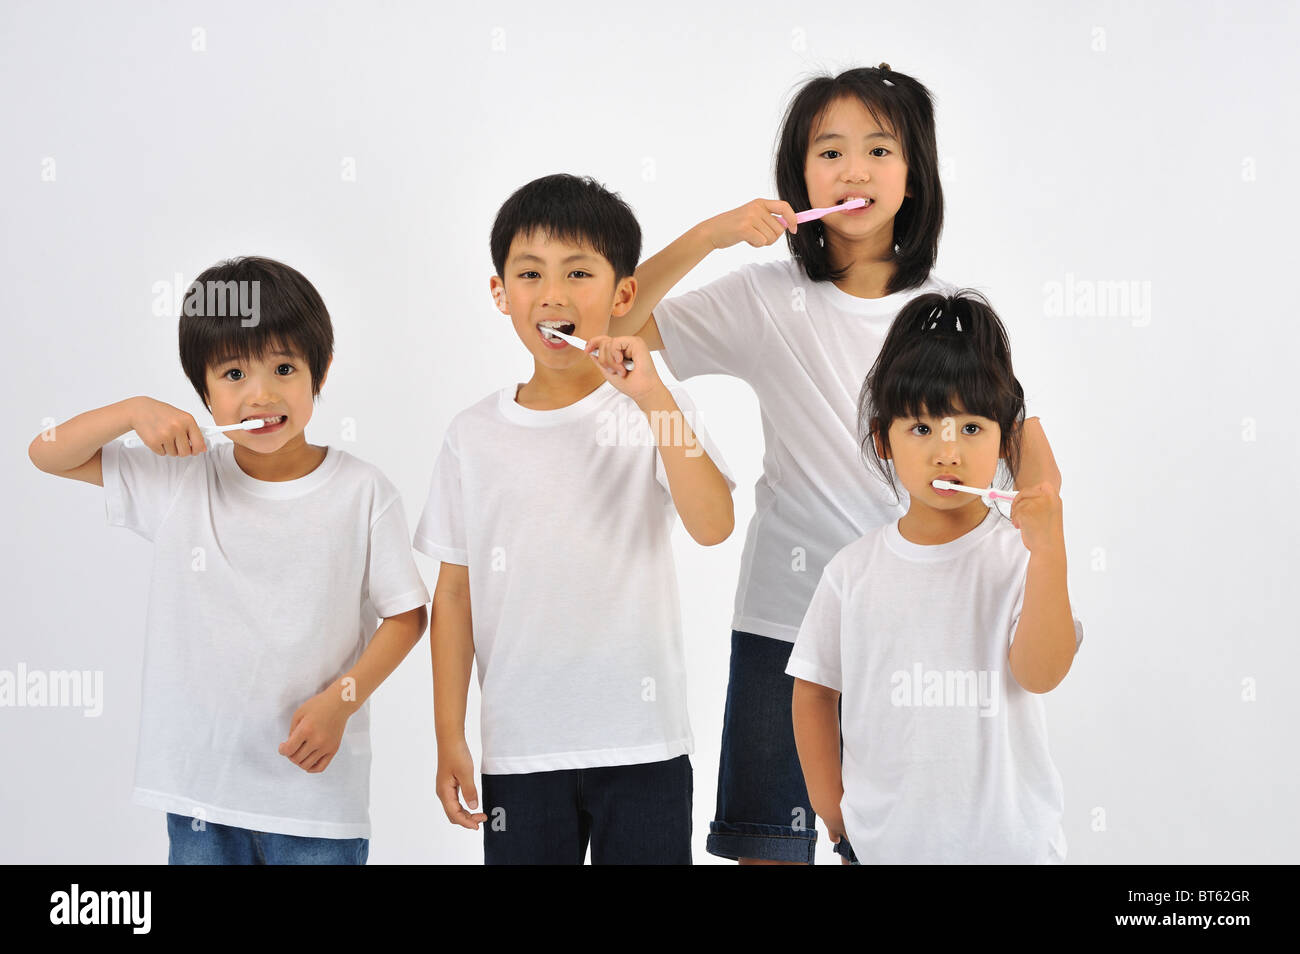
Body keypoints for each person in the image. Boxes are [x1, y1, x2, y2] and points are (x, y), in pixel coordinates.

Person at [604, 63, 1061, 864]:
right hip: (784, 616)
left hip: (918, 629)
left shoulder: (947, 316)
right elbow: (621, 328)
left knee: (901, 840)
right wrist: (712, 235)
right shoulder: (761, 298)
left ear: (915, 178)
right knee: (768, 848)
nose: (855, 170)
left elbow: (1014, 427)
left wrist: (1045, 500)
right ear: (798, 173)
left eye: (880, 150)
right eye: (831, 151)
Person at [27, 256, 430, 864]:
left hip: (316, 805)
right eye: (235, 372)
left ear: (318, 378)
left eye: (285, 368)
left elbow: (407, 616)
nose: (260, 393)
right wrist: (134, 410)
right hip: (199, 799)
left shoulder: (363, 491)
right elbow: (46, 453)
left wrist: (340, 701)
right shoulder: (178, 480)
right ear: (204, 392)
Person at [417, 173, 736, 864]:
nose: (553, 295)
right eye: (529, 273)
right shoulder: (472, 434)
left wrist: (654, 400)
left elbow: (713, 524)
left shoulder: (653, 403)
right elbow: (453, 592)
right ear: (500, 291)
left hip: (644, 743)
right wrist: (450, 732)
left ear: (624, 294)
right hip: (522, 750)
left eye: (579, 273)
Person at [788, 289, 1083, 864]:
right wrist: (836, 816)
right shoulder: (854, 571)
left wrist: (1050, 551)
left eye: (971, 429)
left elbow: (1041, 674)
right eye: (921, 429)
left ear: (1004, 440)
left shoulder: (1020, 557)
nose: (947, 451)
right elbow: (814, 690)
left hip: (1011, 850)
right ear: (884, 441)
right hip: (884, 850)